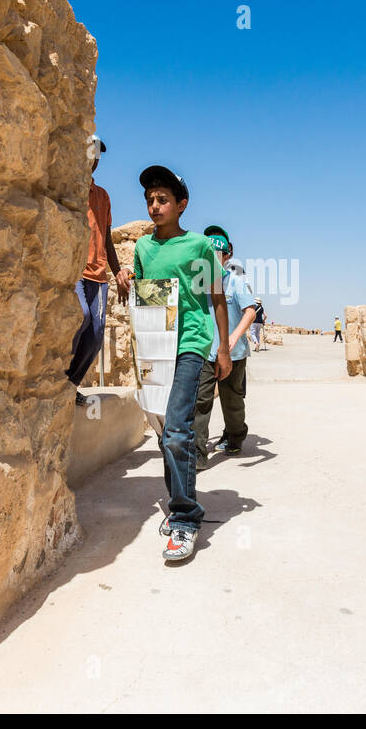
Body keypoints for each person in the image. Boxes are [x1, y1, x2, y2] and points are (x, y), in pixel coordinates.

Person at [132, 165, 231, 562]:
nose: (155, 207)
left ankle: (185, 518)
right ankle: (180, 499)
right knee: (163, 429)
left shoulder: (200, 247)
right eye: (150, 200)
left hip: (190, 342)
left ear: (181, 205)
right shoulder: (142, 248)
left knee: (177, 430)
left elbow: (217, 298)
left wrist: (223, 348)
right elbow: (145, 299)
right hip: (156, 347)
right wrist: (127, 283)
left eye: (163, 200)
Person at [65, 136, 131, 405]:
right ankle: (57, 379)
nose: (93, 159)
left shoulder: (102, 196)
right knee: (79, 316)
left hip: (99, 276)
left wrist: (117, 271)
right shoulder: (69, 189)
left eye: (97, 156)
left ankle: (70, 385)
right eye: (90, 153)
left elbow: (106, 236)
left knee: (96, 334)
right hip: (75, 272)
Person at [193, 226, 259, 470]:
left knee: (232, 402)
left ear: (226, 257)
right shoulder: (197, 284)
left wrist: (233, 336)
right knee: (200, 402)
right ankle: (198, 454)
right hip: (205, 352)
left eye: (215, 255)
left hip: (234, 353)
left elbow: (250, 312)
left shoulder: (236, 283)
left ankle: (235, 436)